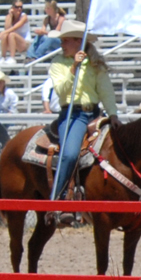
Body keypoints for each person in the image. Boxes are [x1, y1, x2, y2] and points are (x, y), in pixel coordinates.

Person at [46, 19, 120, 206]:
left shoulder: (95, 64)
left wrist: (113, 114)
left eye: (65, 40)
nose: (61, 45)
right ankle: (59, 197)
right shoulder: (58, 63)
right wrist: (73, 69)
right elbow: (61, 91)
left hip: (96, 115)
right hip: (73, 115)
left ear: (78, 42)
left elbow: (105, 90)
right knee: (70, 154)